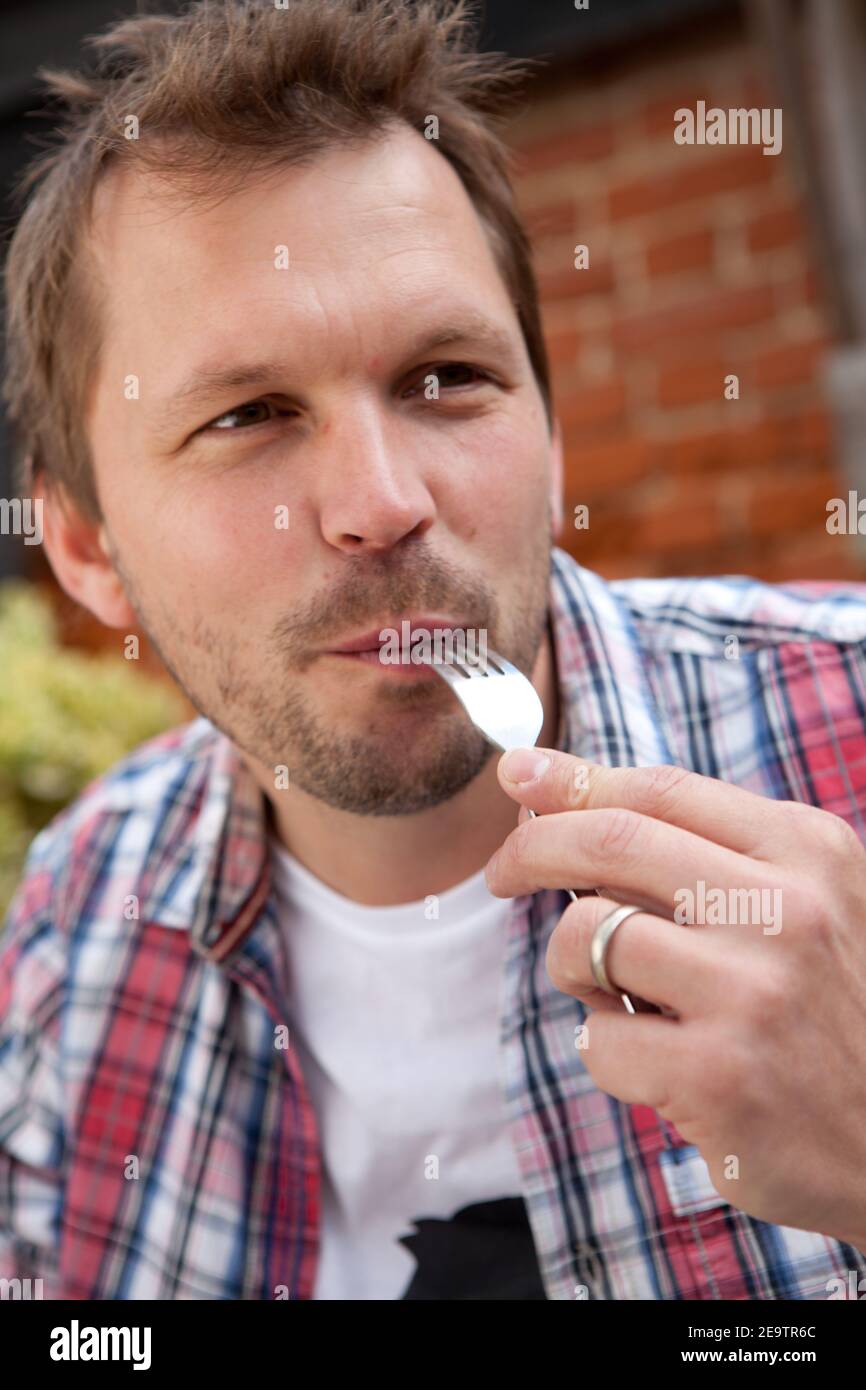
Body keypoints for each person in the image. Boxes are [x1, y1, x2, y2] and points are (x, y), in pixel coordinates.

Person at [1, 0, 865, 1301]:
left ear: (552, 431)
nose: (382, 500)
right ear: (81, 545)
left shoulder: (845, 727)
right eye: (249, 413)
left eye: (446, 377)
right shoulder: (81, 909)